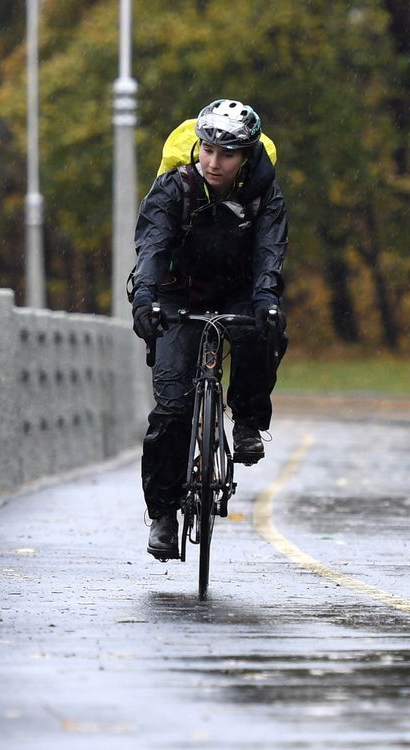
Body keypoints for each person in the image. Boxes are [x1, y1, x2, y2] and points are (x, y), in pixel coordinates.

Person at [128, 99, 289, 560]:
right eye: (208, 150)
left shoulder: (264, 193)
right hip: (179, 294)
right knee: (172, 409)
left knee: (265, 328)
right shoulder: (173, 188)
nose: (214, 162)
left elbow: (269, 253)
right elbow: (153, 246)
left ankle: (248, 423)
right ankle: (163, 514)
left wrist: (265, 299)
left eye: (227, 154)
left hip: (240, 291)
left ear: (246, 157)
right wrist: (146, 300)